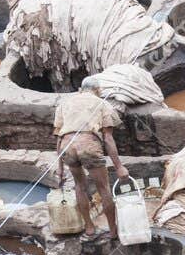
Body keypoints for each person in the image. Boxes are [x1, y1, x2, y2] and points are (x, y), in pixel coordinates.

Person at [52, 77, 130, 240]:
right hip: (88, 143)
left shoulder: (64, 103)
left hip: (68, 145)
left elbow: (59, 138)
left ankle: (89, 228)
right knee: (103, 188)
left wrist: (59, 168)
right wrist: (119, 167)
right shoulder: (102, 103)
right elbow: (108, 138)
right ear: (98, 90)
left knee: (79, 186)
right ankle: (113, 230)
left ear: (81, 89)